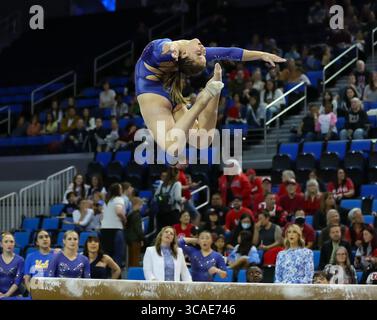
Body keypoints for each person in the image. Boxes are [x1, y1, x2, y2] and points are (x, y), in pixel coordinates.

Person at [135, 38, 285, 154]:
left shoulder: (170, 53)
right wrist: (261, 55)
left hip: (159, 91)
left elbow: (155, 49)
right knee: (189, 143)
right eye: (202, 54)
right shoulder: (180, 53)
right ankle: (210, 92)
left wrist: (171, 47)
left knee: (190, 143)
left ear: (185, 54)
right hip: (159, 91)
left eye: (201, 53)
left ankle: (209, 95)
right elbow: (230, 53)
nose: (202, 49)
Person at [100, 183, 127, 268]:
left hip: (104, 229)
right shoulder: (119, 199)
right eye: (120, 188)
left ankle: (106, 275)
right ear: (118, 190)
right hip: (115, 229)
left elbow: (101, 216)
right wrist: (125, 219)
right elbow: (119, 211)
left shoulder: (107, 201)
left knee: (107, 253)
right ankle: (117, 275)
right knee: (118, 254)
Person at [154, 167, 183, 233]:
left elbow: (155, 197)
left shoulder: (162, 184)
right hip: (173, 214)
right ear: (176, 174)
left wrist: (162, 199)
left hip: (161, 213)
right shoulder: (177, 184)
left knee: (162, 234)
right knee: (173, 234)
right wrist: (182, 199)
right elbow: (177, 198)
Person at [0, 232, 24, 298]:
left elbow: (18, 281)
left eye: (11, 242)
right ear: (1, 244)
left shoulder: (20, 260)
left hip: (15, 295)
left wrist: (6, 295)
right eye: (6, 242)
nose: (9, 244)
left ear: (14, 244)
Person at [125, 197, 145, 267]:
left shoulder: (130, 214)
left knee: (131, 260)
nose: (142, 207)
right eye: (141, 205)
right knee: (135, 260)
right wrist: (142, 238)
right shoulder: (137, 215)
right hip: (136, 240)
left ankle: (130, 274)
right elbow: (138, 229)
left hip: (129, 240)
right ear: (137, 204)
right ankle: (134, 276)